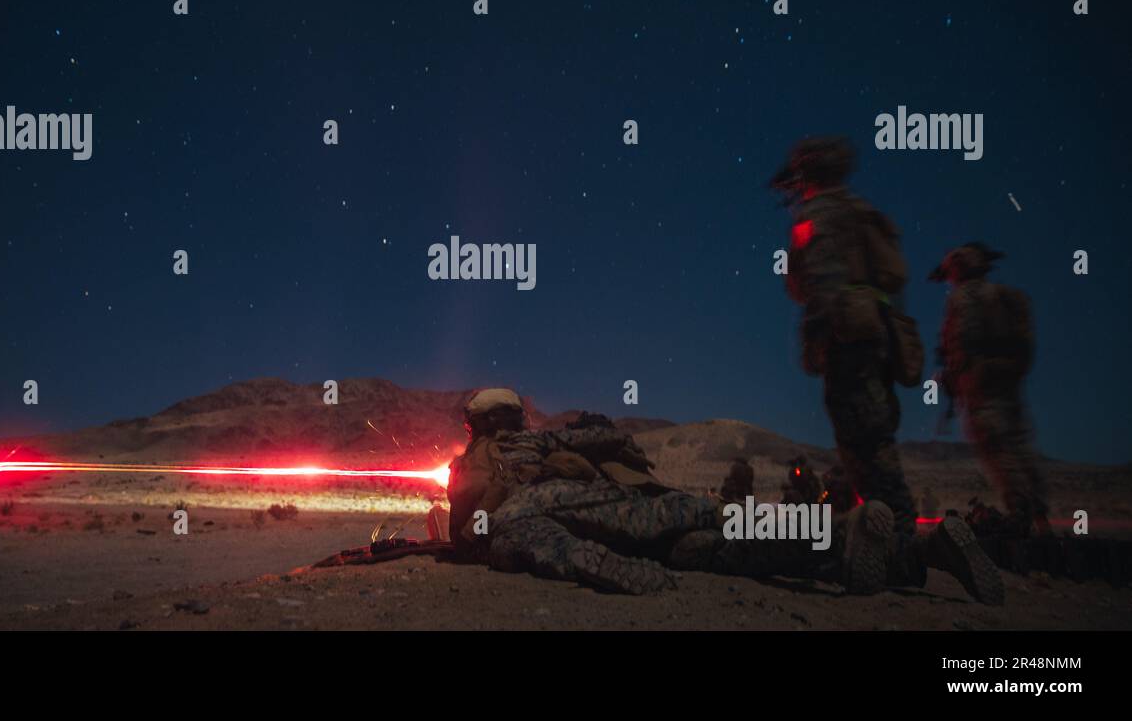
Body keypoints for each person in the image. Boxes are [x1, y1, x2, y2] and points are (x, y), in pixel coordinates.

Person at [447, 388, 1002, 603]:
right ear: (515, 416)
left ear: (472, 424)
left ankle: (883, 549)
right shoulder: (540, 440)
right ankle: (916, 552)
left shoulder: (478, 467)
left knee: (718, 546)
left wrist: (603, 565)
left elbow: (503, 531)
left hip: (613, 533)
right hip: (637, 516)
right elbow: (609, 437)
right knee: (730, 529)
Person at [770, 136, 922, 540]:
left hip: (847, 338)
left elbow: (820, 285)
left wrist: (816, 341)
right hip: (879, 335)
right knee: (877, 434)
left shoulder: (817, 215)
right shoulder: (862, 212)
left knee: (861, 444)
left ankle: (896, 538)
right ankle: (898, 530)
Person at [931, 243, 1050, 537]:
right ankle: (1039, 517)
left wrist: (953, 376)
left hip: (980, 386)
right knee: (1019, 446)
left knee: (997, 449)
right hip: (1007, 382)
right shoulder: (1002, 298)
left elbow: (963, 341)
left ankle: (1020, 516)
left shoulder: (965, 298)